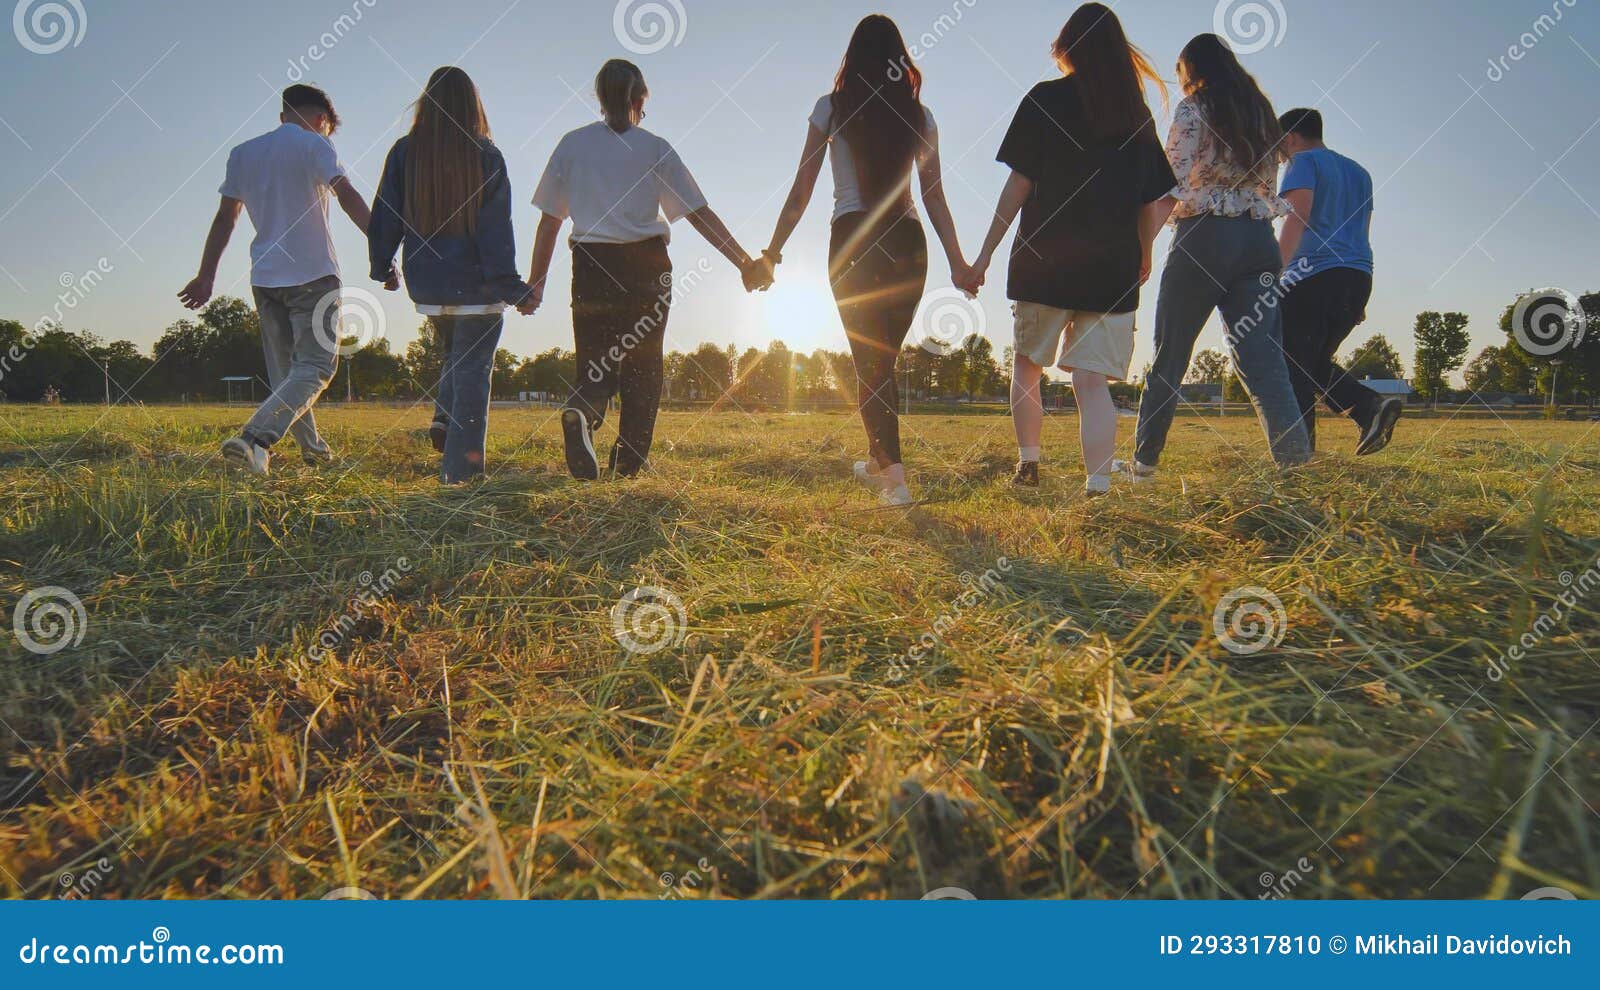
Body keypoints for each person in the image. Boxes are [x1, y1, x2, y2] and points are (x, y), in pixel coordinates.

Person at [962, 3, 1175, 496]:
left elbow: (1018, 185)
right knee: (1091, 380)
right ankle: (1098, 485)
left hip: (1045, 261)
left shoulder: (1045, 99)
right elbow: (1159, 199)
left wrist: (984, 257)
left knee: (1028, 365)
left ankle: (1029, 466)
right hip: (1112, 268)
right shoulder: (1134, 114)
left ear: (1068, 47)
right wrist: (1144, 252)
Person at [763, 14, 971, 507]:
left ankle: (895, 483)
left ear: (851, 60)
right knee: (881, 362)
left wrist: (773, 252)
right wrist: (960, 264)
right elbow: (935, 197)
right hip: (908, 241)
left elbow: (801, 190)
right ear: (902, 61)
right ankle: (879, 461)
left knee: (871, 364)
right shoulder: (920, 117)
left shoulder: (831, 108)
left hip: (853, 238)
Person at [526, 59, 769, 481]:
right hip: (646, 267)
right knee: (643, 367)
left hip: (591, 265)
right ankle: (626, 469)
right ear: (640, 100)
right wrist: (744, 263)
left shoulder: (572, 145)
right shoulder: (655, 148)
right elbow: (698, 214)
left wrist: (536, 284)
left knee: (595, 363)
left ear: (600, 98)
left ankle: (581, 413)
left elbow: (550, 220)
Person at [180, 84, 395, 476]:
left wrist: (206, 274)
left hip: (264, 278)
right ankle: (253, 439)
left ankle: (314, 452)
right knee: (316, 367)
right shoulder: (316, 145)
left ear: (282, 116)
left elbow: (226, 218)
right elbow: (346, 194)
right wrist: (382, 251)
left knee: (288, 377)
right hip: (313, 274)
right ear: (321, 121)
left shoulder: (242, 154)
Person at [1128, 34, 1310, 480]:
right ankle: (1297, 470)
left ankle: (1144, 466)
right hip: (1258, 241)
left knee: (1171, 352)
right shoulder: (1262, 116)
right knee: (1264, 362)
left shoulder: (1194, 109)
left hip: (1205, 237)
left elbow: (1170, 186)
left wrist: (1141, 249)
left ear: (1191, 70)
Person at [369, 66, 534, 483]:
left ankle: (443, 417)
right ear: (473, 105)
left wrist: (382, 266)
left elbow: (384, 215)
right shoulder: (486, 154)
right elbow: (496, 231)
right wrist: (514, 289)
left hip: (428, 286)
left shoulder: (405, 152)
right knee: (473, 373)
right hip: (477, 287)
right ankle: (459, 476)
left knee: (458, 355)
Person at [1277, 107, 1400, 455]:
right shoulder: (1360, 173)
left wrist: (1273, 273)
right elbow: (1363, 230)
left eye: (1279, 145)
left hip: (1312, 275)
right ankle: (1369, 408)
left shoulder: (1301, 163)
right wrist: (1358, 296)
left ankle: (1298, 457)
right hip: (1357, 275)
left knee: (1291, 366)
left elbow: (1296, 217)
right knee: (1312, 362)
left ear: (1290, 138)